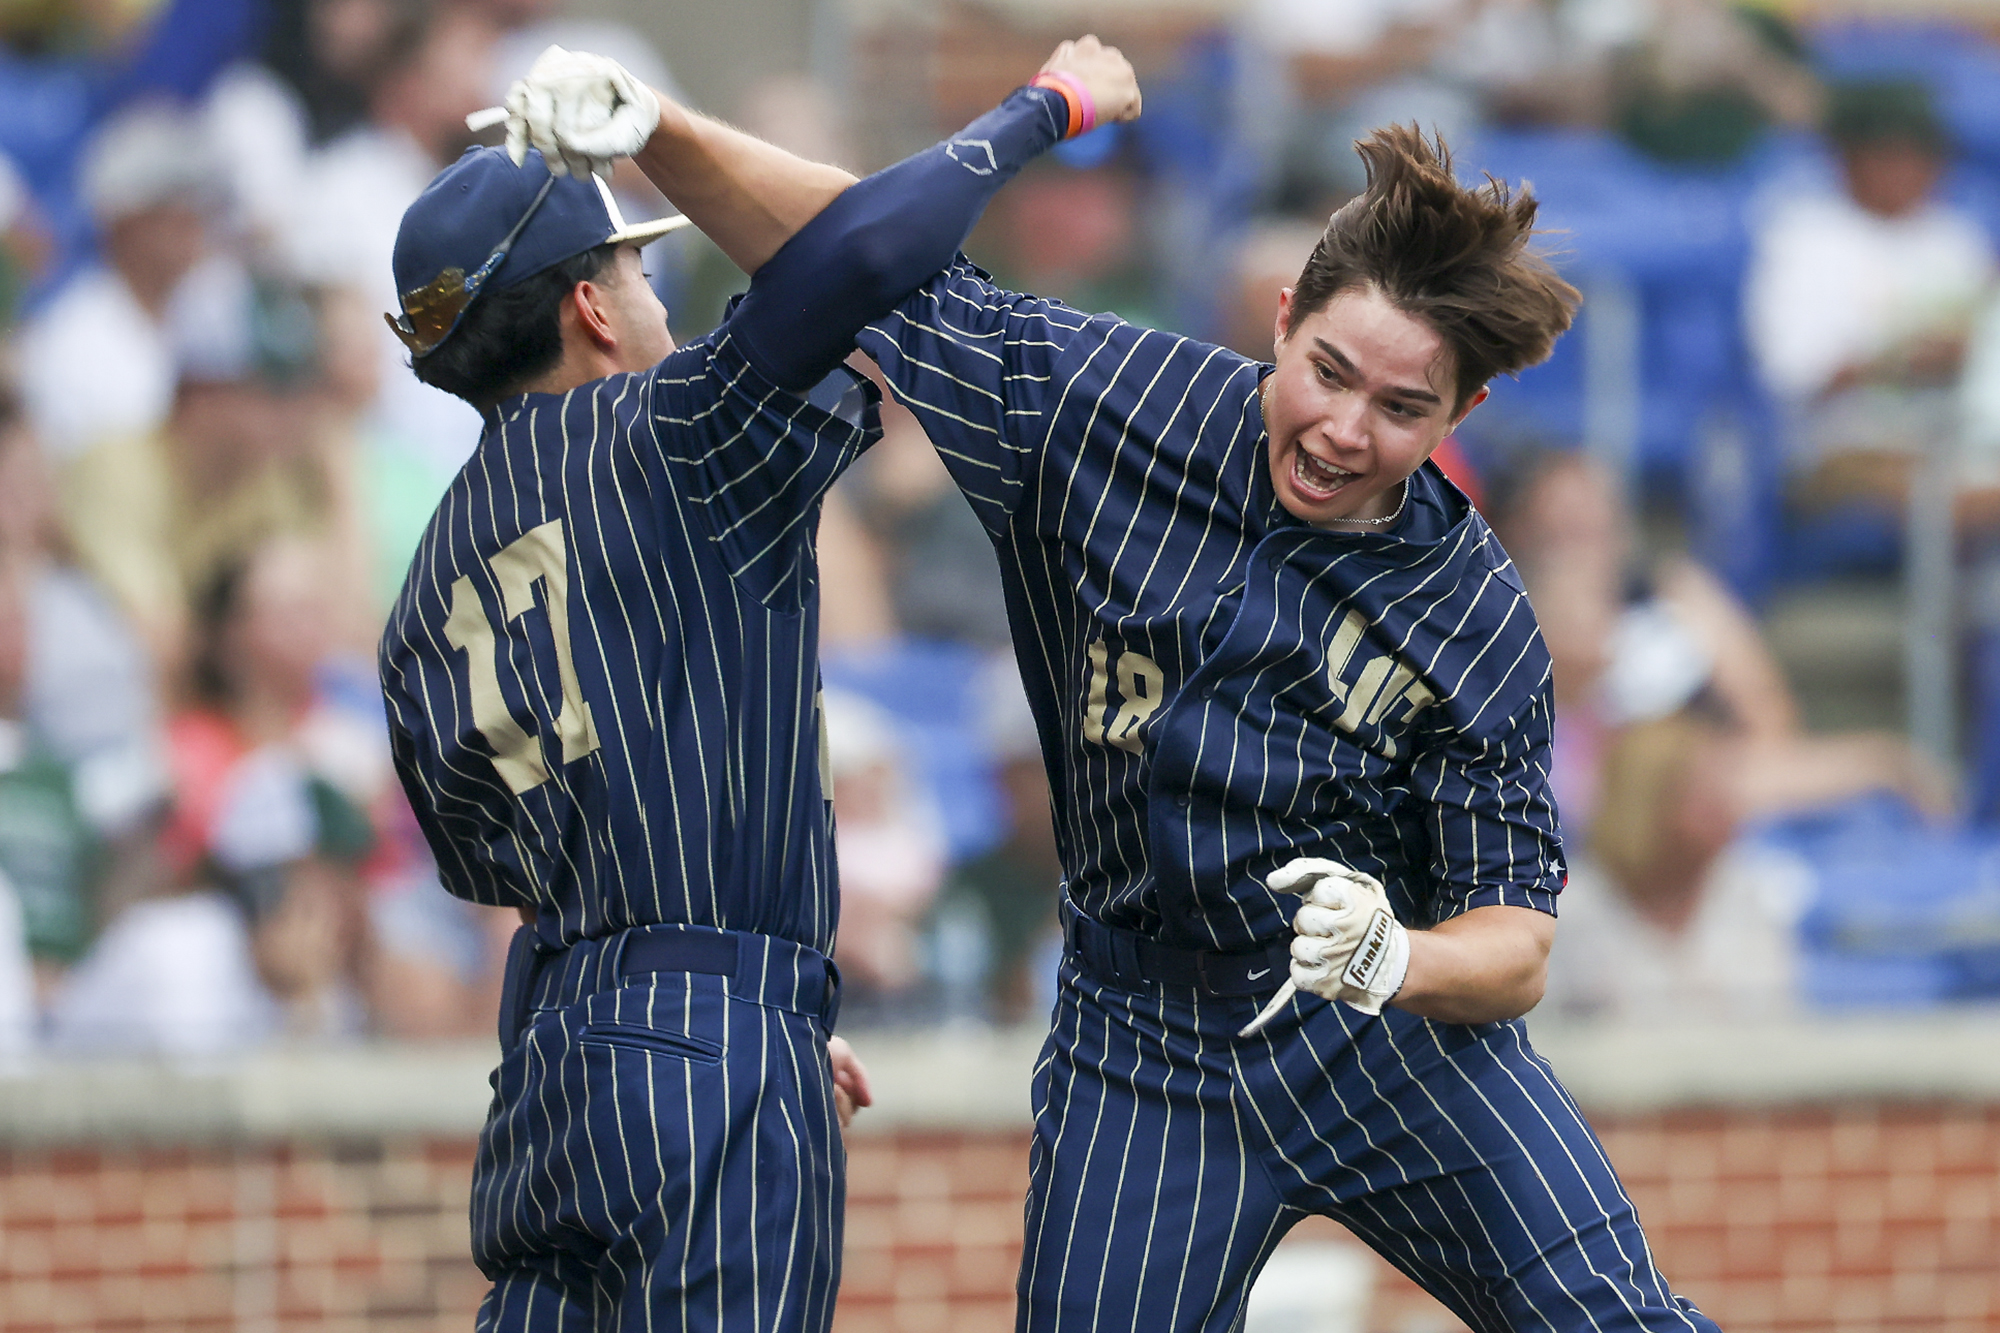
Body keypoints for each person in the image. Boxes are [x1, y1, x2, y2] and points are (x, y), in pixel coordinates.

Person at [840, 127, 1721, 1330]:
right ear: (1279, 319)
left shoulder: (1477, 617)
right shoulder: (1114, 401)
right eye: (1329, 371)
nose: (1348, 427)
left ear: (1457, 412)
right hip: (1141, 1039)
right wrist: (662, 131)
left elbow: (1515, 948)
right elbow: (860, 260)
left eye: (1402, 406)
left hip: (1376, 1031)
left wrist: (1396, 957)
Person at [375, 39, 1140, 1332]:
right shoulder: (667, 431)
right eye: (638, 266)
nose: (659, 296)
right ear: (592, 309)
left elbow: (513, 887)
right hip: (713, 1055)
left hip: (554, 1079)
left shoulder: (419, 595)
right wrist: (1040, 109)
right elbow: (855, 254)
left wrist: (692, 1002)